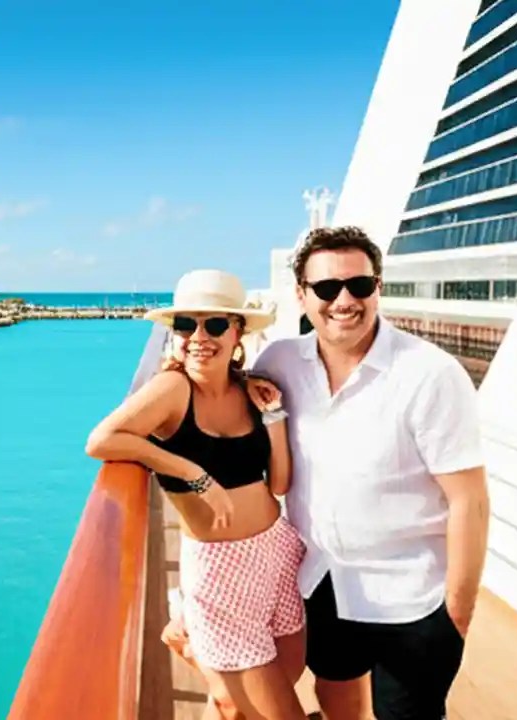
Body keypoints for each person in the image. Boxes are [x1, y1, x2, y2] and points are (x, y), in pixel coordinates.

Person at [251, 226, 491, 720]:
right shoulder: (278, 362)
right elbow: (218, 406)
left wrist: (456, 615)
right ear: (301, 295)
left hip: (412, 598)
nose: (344, 300)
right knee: (335, 694)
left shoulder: (429, 374)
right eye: (326, 288)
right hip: (324, 580)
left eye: (359, 286)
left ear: (377, 287)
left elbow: (471, 500)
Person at [86, 269, 308, 720]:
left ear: (238, 332)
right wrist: (194, 473)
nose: (198, 337)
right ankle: (200, 645)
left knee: (276, 681)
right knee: (280, 712)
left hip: (277, 551)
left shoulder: (250, 390)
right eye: (186, 325)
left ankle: (196, 648)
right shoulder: (171, 388)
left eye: (215, 324)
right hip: (220, 570)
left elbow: (280, 484)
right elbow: (101, 441)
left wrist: (275, 416)